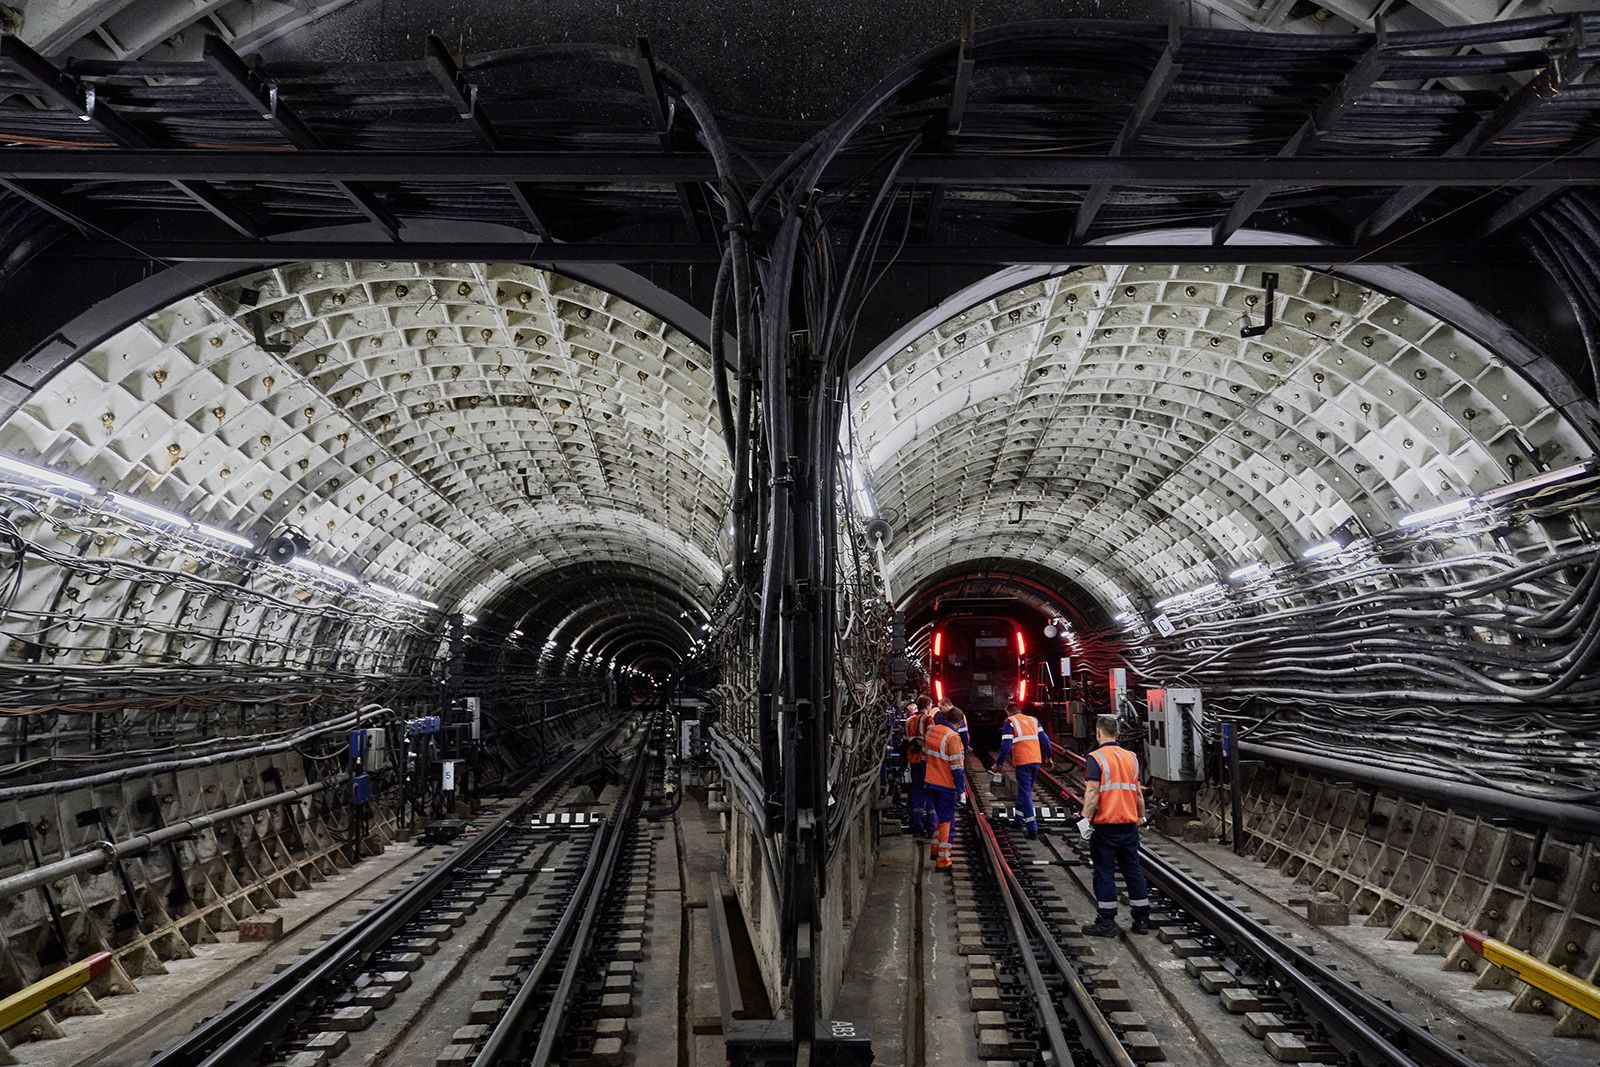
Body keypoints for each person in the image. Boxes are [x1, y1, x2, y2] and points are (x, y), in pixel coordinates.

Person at [1077, 713, 1151, 936]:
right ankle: (1142, 920)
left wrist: (1085, 820)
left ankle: (1106, 922)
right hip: (1129, 824)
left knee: (1104, 872)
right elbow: (1138, 793)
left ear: (1098, 733)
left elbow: (1092, 792)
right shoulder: (1131, 758)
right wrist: (1141, 817)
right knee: (1133, 870)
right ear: (1117, 733)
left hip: (1106, 825)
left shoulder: (1096, 758)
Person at [997, 700, 1053, 838]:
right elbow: (1045, 739)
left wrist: (999, 763)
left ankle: (1031, 827)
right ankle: (1018, 820)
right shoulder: (1033, 720)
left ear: (1007, 711)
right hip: (1035, 760)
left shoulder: (1009, 722)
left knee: (1026, 793)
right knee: (1024, 791)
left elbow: (1006, 745)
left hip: (1022, 761)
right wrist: (1049, 756)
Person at [922, 706, 966, 870]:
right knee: (948, 821)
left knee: (940, 819)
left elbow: (925, 757)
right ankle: (943, 860)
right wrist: (961, 790)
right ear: (959, 722)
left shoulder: (932, 731)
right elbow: (957, 768)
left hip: (930, 782)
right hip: (945, 786)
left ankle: (935, 850)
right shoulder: (953, 737)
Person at [903, 697, 934, 839]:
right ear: (928, 706)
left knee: (916, 791)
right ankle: (931, 826)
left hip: (912, 760)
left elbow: (906, 740)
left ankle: (916, 826)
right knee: (929, 792)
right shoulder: (928, 719)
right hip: (925, 760)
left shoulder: (909, 720)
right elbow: (932, 738)